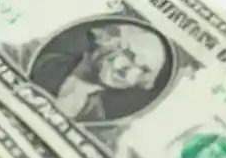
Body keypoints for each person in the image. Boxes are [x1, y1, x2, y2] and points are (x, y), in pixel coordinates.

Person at [29, 21, 168, 122]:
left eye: (144, 70)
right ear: (108, 40)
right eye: (129, 54)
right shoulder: (44, 60)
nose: (129, 71)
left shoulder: (96, 117)